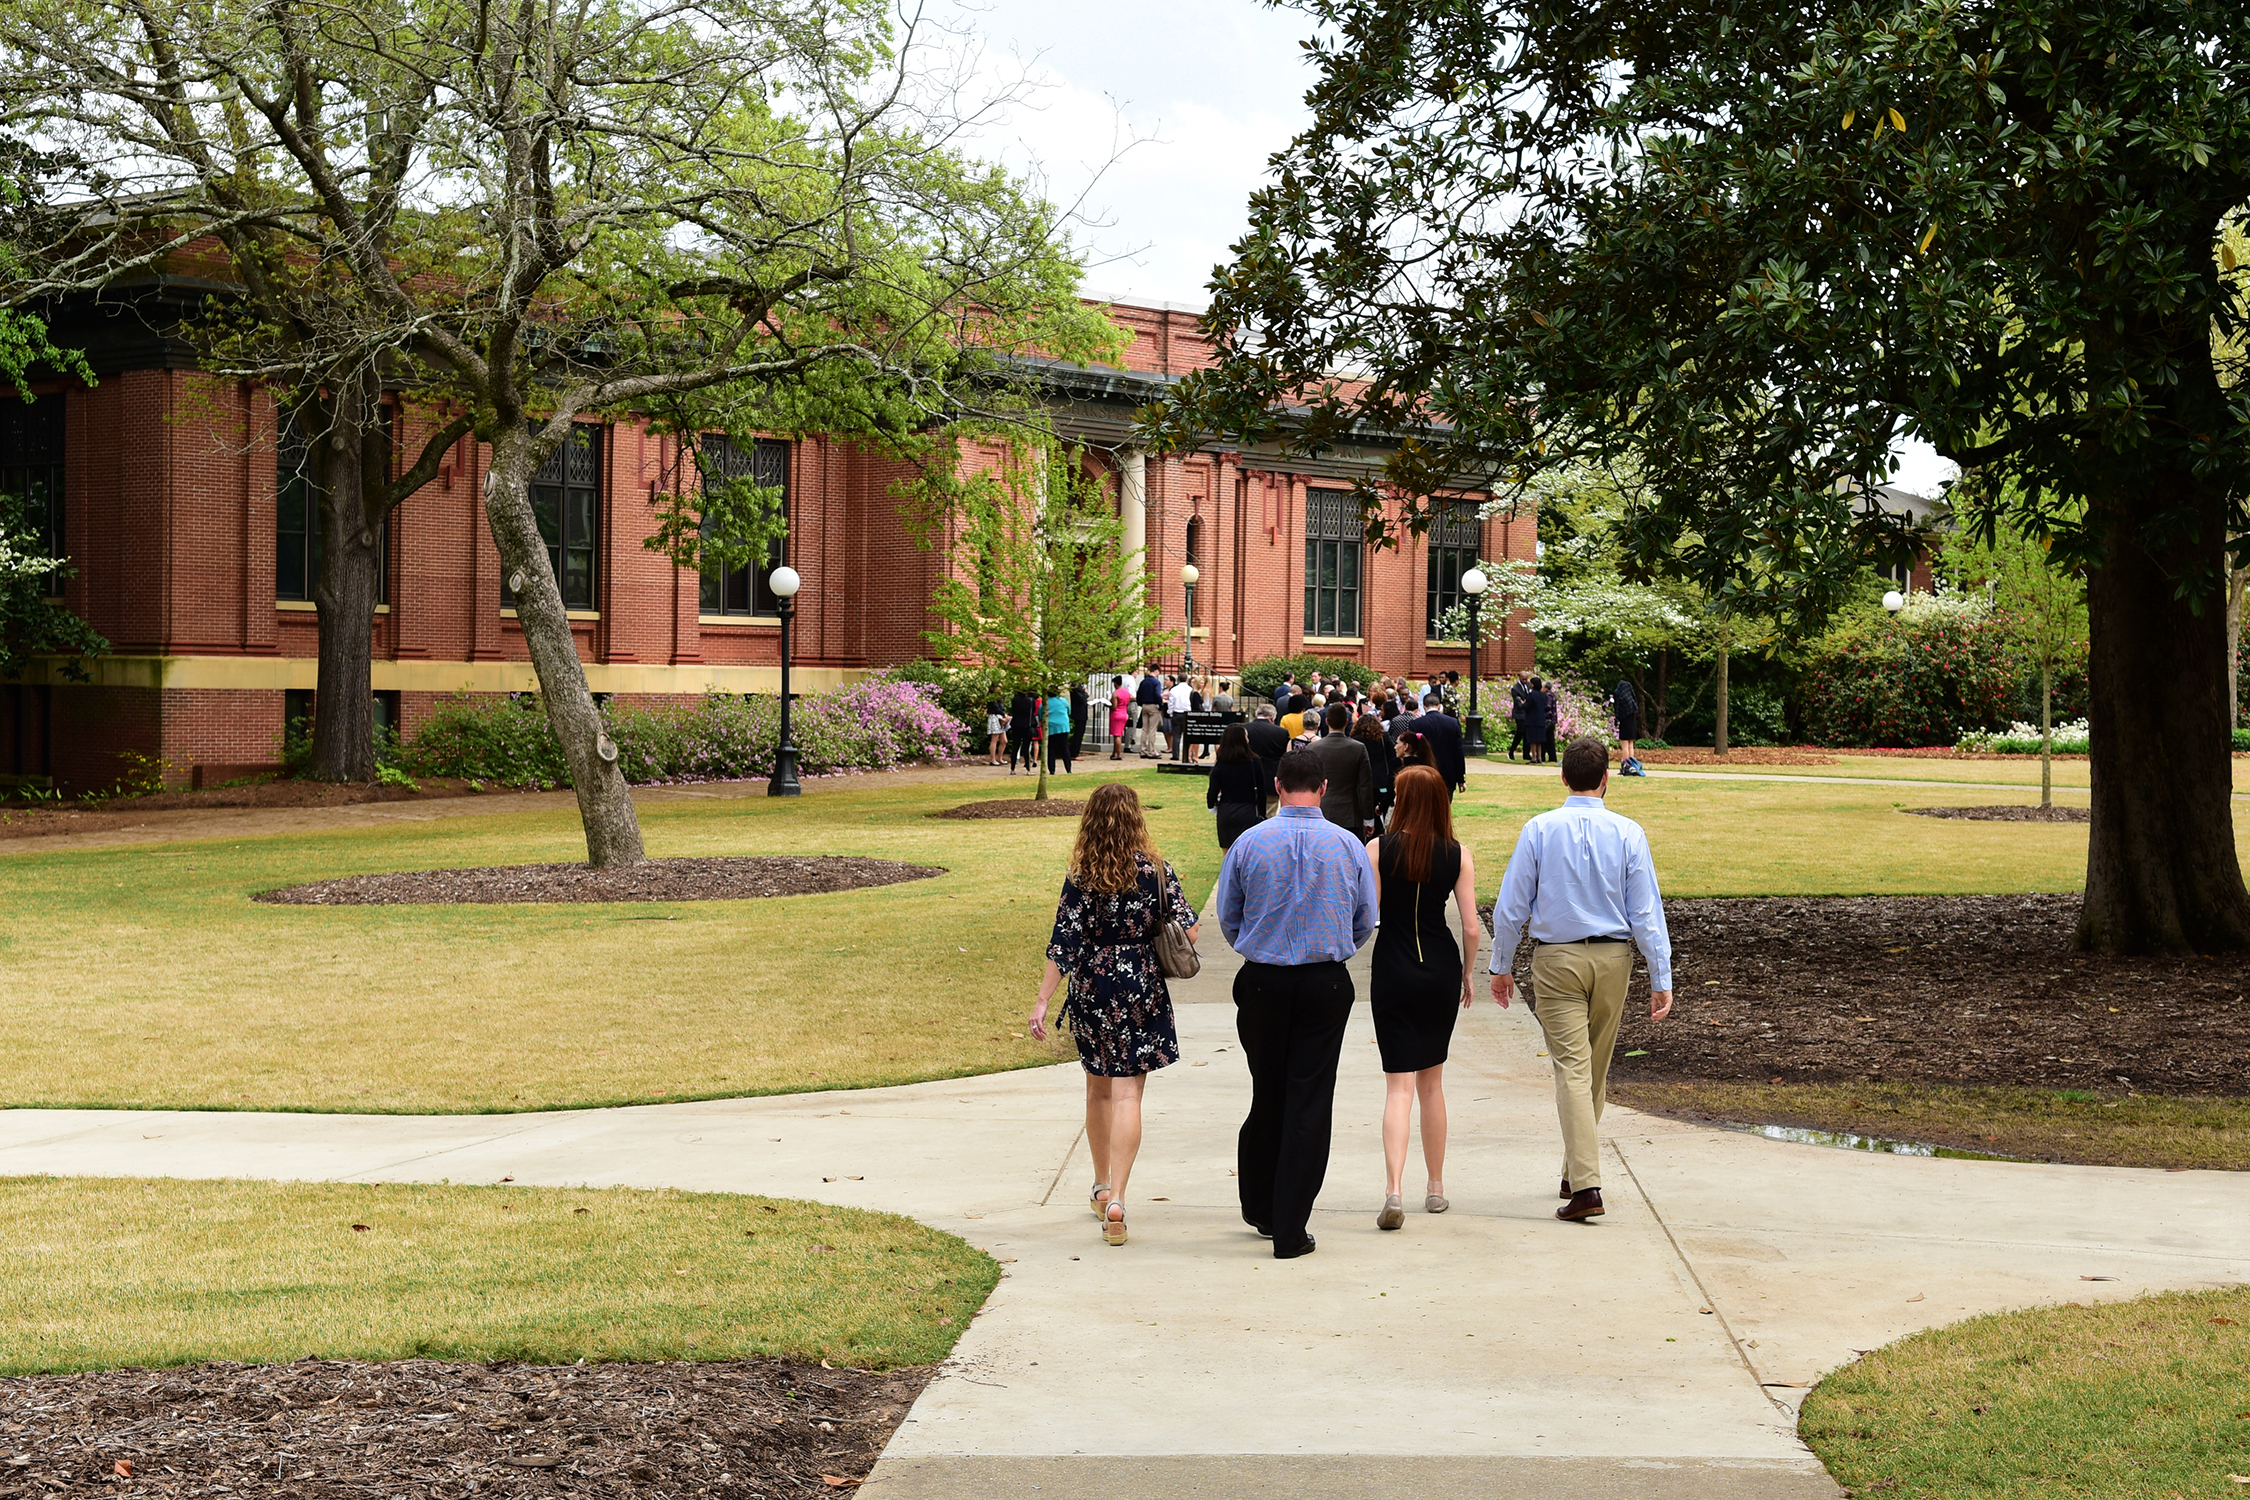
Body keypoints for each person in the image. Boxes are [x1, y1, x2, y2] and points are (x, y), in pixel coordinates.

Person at [1488, 737, 1675, 1223]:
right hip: (1613, 959)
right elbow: (1647, 913)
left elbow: (1511, 907)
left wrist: (1501, 964)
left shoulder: (1540, 829)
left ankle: (1585, 1183)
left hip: (1558, 960)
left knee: (1577, 1069)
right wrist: (1660, 972)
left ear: (1564, 778)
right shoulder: (1629, 833)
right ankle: (1577, 1171)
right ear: (1607, 778)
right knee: (1588, 1070)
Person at [1215, 751, 1380, 1259]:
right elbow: (1365, 917)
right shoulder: (1347, 845)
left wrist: (1260, 945)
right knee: (1307, 1099)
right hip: (1322, 984)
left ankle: (1265, 1208)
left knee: (1268, 1091)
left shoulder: (1249, 842)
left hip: (1264, 981)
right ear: (1324, 786)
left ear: (1278, 786)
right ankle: (1287, 1221)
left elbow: (1229, 916)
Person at [1031, 783, 1198, 1247]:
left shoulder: (1083, 874)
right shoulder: (1157, 872)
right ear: (1136, 818)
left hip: (1093, 984)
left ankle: (1102, 1185)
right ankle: (1120, 1199)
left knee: (1098, 1091)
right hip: (1141, 982)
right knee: (1129, 1097)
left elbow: (1063, 941)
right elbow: (1189, 928)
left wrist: (1044, 1000)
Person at [1365, 765, 1480, 1231]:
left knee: (1399, 1086)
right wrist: (1468, 974)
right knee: (1432, 1084)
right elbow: (1471, 927)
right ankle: (1435, 1188)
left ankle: (1393, 1188)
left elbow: (1368, 915)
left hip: (1392, 967)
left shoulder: (1377, 849)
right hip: (1438, 968)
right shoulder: (1457, 854)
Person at [1308, 701, 1375, 835]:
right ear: (1346, 722)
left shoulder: (1313, 748)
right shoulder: (1358, 748)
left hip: (1321, 812)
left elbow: (1308, 783)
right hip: (1350, 814)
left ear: (1326, 722)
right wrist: (1369, 819)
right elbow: (1365, 785)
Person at [1207, 724, 1273, 849]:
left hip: (1226, 808)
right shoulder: (1254, 762)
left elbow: (1213, 790)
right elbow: (1261, 789)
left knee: (1227, 847)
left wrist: (1211, 803)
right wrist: (1262, 812)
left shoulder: (1221, 764)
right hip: (1247, 809)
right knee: (1246, 847)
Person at [1407, 692, 1468, 796]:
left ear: (1424, 706)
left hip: (1424, 771)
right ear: (1439, 706)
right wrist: (1460, 778)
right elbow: (1458, 751)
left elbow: (1412, 750)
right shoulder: (1452, 723)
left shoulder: (1416, 724)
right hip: (1448, 772)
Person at [1352, 710, 1396, 831]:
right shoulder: (1384, 738)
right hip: (1382, 780)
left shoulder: (1356, 741)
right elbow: (1392, 758)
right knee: (1382, 813)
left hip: (1363, 782)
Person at [1247, 703, 1290, 795]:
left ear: (1256, 715)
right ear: (1273, 718)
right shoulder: (1281, 733)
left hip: (1248, 778)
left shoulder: (1244, 729)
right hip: (1271, 780)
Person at [1612, 678, 1645, 776]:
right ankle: (1633, 766)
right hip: (1632, 723)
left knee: (1625, 746)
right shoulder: (1632, 703)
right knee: (1631, 745)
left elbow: (1618, 712)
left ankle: (1625, 767)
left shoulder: (1621, 699)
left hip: (1625, 723)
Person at [1519, 676, 1554, 765]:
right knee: (1539, 740)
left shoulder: (1532, 694)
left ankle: (1534, 757)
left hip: (1532, 720)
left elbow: (1527, 706)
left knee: (1532, 740)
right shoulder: (1542, 695)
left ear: (1533, 685)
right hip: (1541, 719)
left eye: (1531, 683)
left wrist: (1523, 704)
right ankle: (1539, 757)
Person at [1135, 667, 1165, 758]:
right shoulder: (1156, 682)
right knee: (1152, 730)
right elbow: (1157, 694)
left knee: (1145, 729)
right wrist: (1161, 705)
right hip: (1153, 705)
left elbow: (1138, 694)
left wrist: (1141, 703)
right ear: (1156, 671)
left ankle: (1143, 750)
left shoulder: (1143, 682)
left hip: (1144, 705)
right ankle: (1151, 751)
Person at [1008, 687, 1038, 775]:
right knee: (1026, 747)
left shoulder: (1015, 700)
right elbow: (1033, 710)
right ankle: (1028, 769)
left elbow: (1013, 710)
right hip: (1027, 726)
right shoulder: (1031, 701)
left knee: (1015, 747)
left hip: (1016, 725)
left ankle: (1012, 768)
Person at [1046, 687, 1075, 774]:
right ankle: (1068, 769)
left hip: (1051, 727)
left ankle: (1052, 770)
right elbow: (1069, 710)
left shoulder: (1046, 703)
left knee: (1051, 749)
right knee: (1065, 748)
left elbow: (1041, 714)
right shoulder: (1063, 700)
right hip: (1063, 726)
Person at [1166, 673, 1194, 759]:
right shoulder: (1190, 689)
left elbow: (1171, 703)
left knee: (1176, 735)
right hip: (1187, 713)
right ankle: (1187, 754)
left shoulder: (1174, 690)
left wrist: (1170, 713)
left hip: (1177, 713)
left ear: (1178, 680)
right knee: (1187, 735)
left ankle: (1175, 755)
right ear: (1187, 680)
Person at [1507, 671, 1531, 761]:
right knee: (1520, 732)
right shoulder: (1515, 688)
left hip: (1527, 713)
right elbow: (1518, 701)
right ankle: (1511, 751)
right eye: (1523, 679)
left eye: (1526, 679)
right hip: (1519, 714)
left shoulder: (1529, 686)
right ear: (1519, 678)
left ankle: (1526, 753)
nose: (1525, 681)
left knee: (1527, 734)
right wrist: (1523, 703)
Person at [1108, 676, 1132, 761]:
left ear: (1115, 683)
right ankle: (1114, 753)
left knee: (1116, 736)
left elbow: (1114, 706)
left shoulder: (1115, 693)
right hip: (1124, 713)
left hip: (1116, 714)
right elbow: (1128, 703)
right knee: (1119, 733)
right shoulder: (1127, 692)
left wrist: (1107, 705)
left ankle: (1118, 754)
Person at [1070, 681, 1090, 766]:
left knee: (1079, 733)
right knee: (1078, 734)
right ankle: (1074, 753)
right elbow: (1082, 699)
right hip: (1079, 714)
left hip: (1081, 713)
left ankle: (1075, 752)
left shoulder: (1078, 686)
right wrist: (1085, 693)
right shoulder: (1075, 686)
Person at [985, 694, 1006, 766]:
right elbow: (996, 709)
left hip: (1000, 718)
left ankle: (1000, 758)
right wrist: (1004, 714)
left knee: (1004, 740)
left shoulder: (998, 697)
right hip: (994, 718)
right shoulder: (991, 698)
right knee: (995, 739)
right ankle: (993, 759)